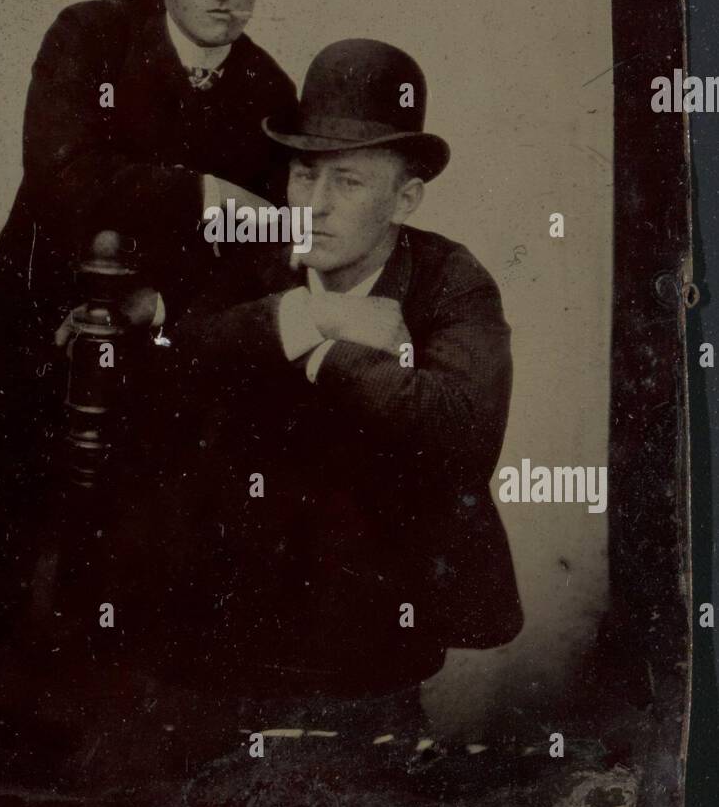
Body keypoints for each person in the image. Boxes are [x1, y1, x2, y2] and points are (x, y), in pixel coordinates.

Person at [0, 0, 299, 673]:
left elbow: (261, 258)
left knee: (118, 588)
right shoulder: (89, 37)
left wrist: (164, 303)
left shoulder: (271, 93)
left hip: (160, 368)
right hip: (37, 345)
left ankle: (92, 768)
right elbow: (61, 178)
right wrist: (205, 192)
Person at [143, 37, 523, 753]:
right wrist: (312, 315)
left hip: (371, 650)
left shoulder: (451, 280)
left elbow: (463, 434)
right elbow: (167, 382)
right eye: (303, 175)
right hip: (223, 646)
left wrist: (325, 355)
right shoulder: (247, 259)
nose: (312, 207)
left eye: (347, 183)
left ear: (404, 198)